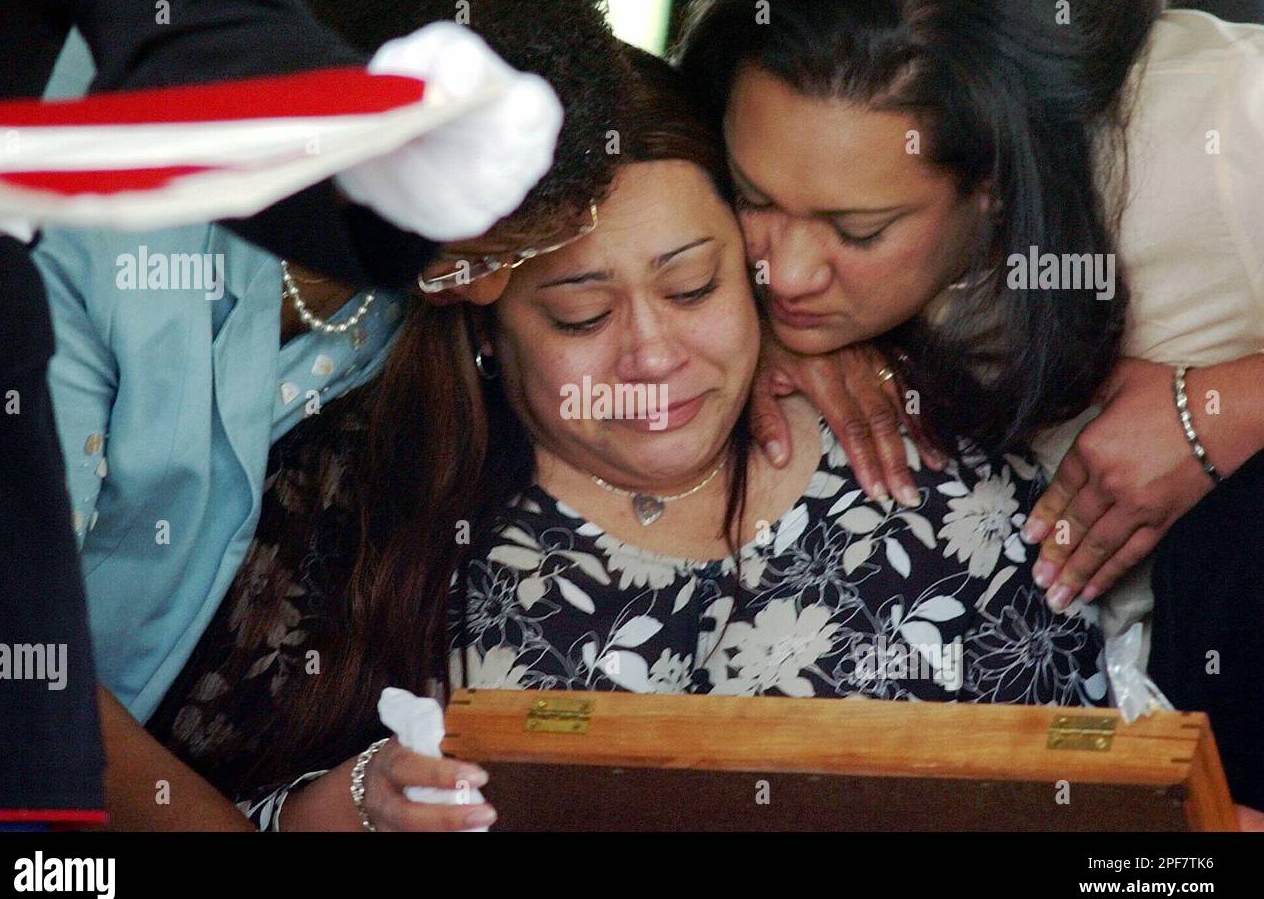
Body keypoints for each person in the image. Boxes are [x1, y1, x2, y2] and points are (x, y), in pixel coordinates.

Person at [143, 50, 1108, 832]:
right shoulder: (356, 514)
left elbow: (1109, 817)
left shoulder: (950, 503)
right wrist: (349, 807)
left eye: (694, 289)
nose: (652, 356)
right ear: (483, 316)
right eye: (578, 314)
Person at [37, 0, 629, 830]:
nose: (491, 288)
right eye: (468, 254)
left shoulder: (392, 300)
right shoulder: (92, 221)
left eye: (521, 254)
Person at [674, 0, 1264, 811]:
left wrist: (1221, 411)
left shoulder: (1222, 125)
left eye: (859, 232)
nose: (790, 273)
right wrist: (732, 311)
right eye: (753, 199)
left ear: (994, 181)